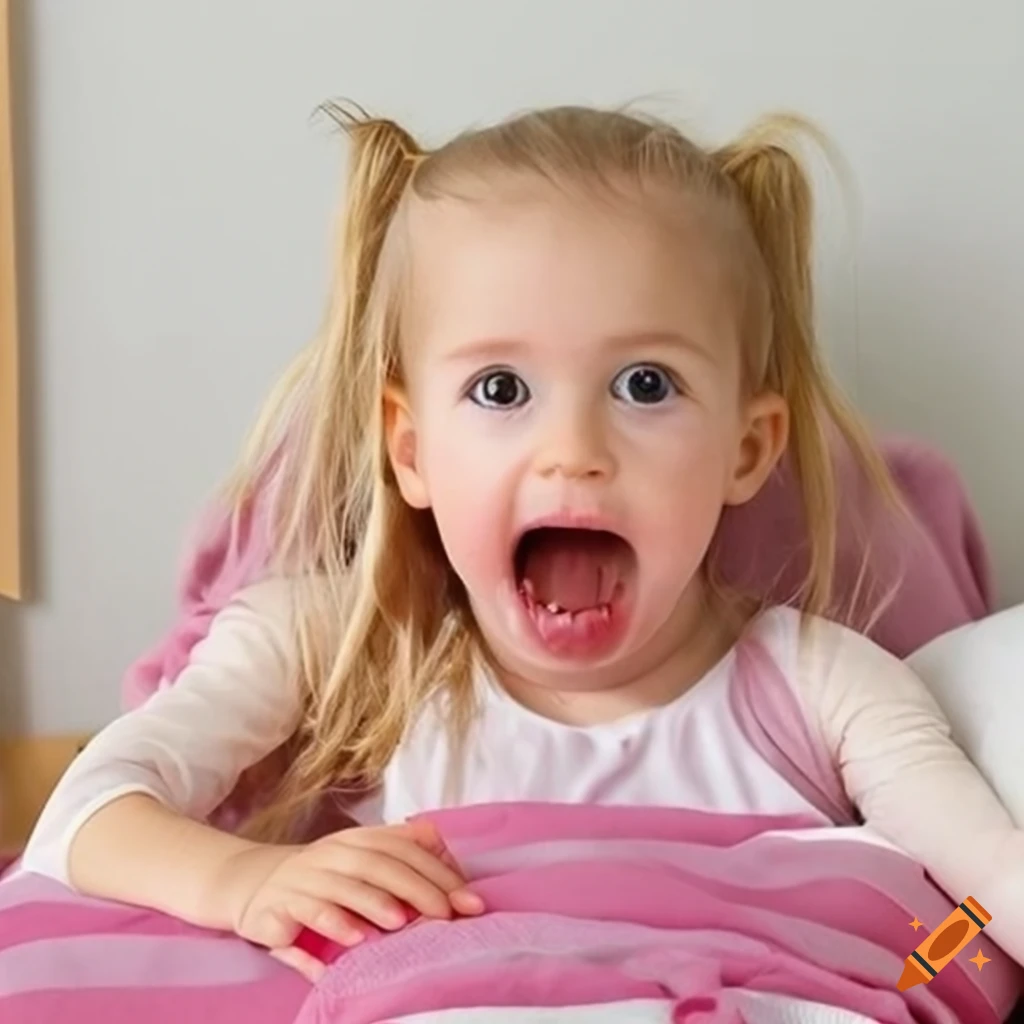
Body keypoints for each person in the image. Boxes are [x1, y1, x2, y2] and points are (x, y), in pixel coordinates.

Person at [19, 103, 1024, 984]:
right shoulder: (334, 651)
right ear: (410, 450)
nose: (573, 452)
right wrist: (248, 881)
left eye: (645, 385)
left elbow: (990, 888)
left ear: (746, 447)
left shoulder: (824, 689)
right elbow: (84, 817)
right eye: (500, 389)